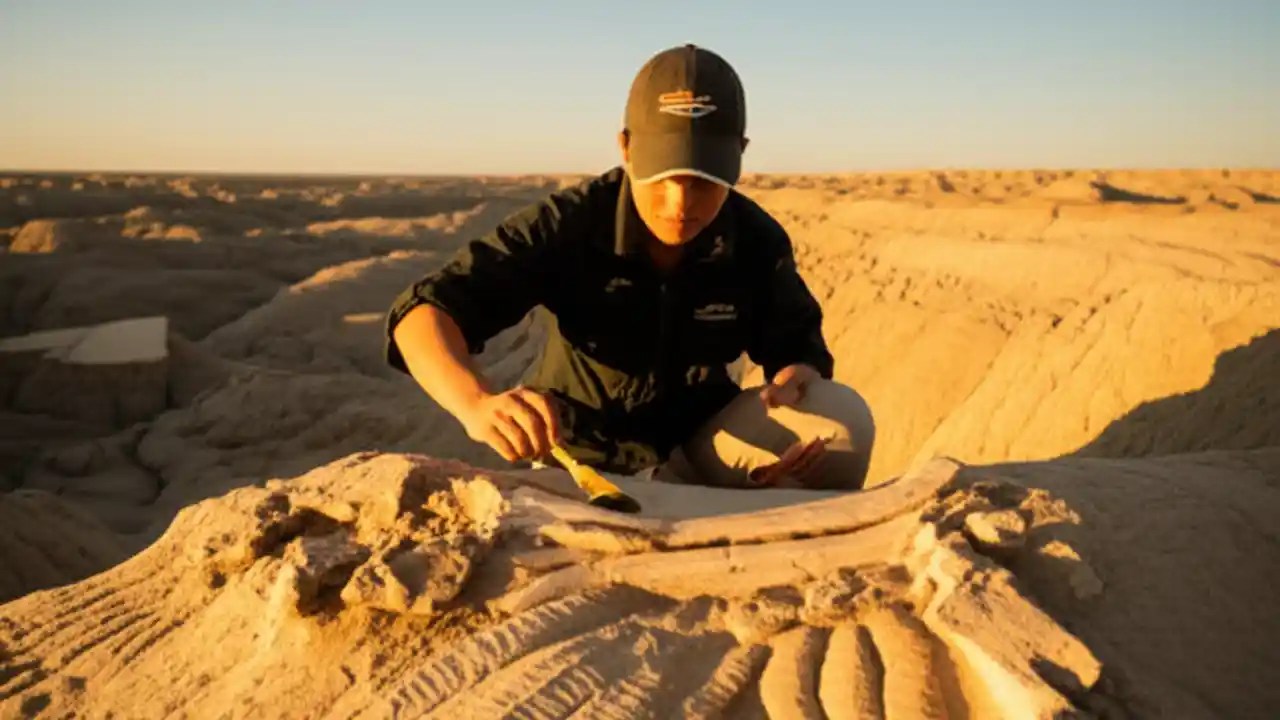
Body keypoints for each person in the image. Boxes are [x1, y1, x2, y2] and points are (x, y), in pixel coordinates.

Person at [384, 44, 875, 490]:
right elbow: (425, 312)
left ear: (739, 157)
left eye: (703, 181)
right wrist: (476, 403)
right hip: (581, 460)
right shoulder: (570, 223)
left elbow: (796, 347)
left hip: (699, 444)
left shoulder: (756, 239)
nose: (680, 203)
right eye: (662, 177)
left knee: (841, 419)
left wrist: (798, 375)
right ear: (626, 148)